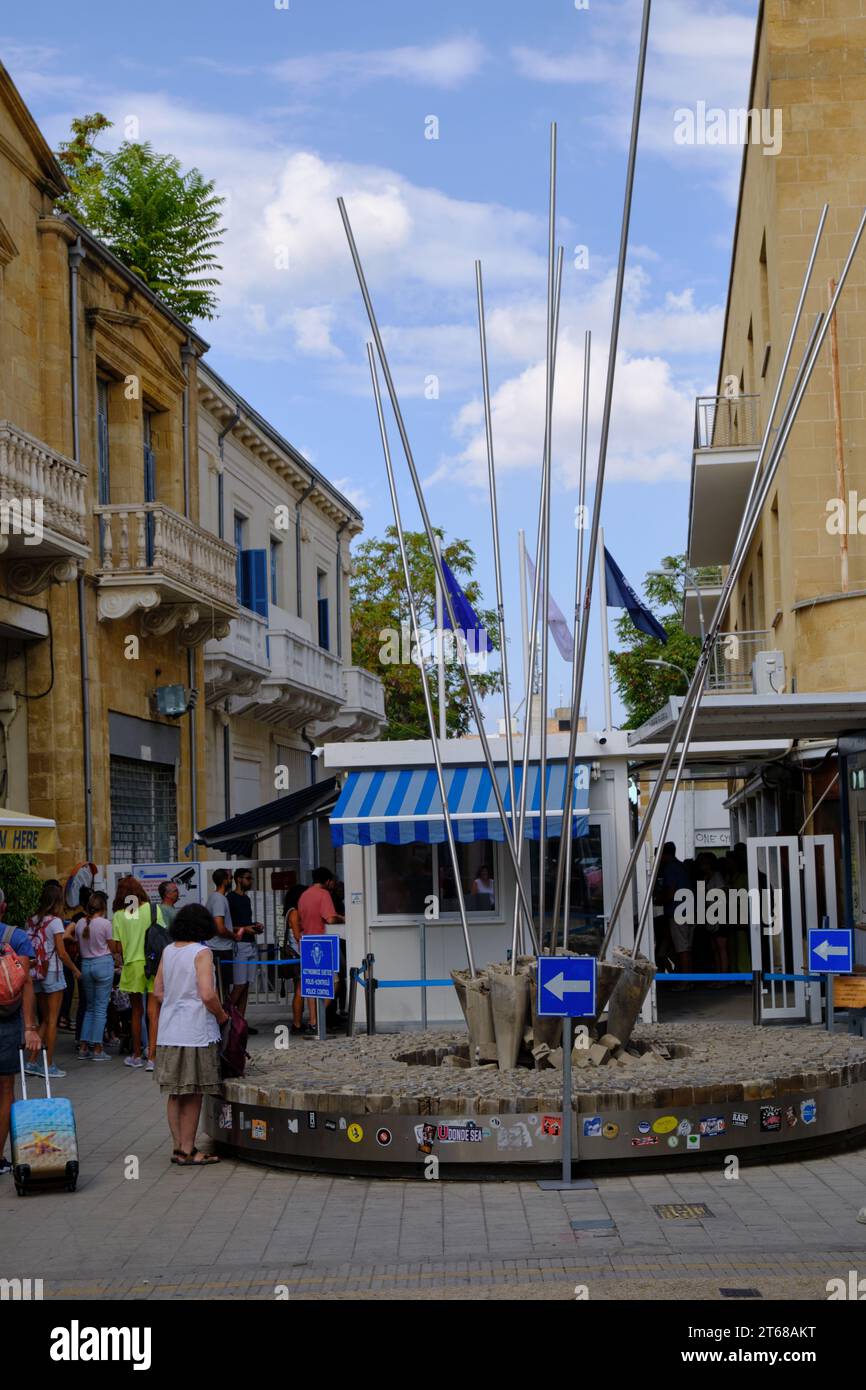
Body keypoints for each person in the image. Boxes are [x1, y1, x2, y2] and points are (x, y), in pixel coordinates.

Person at [152, 903, 228, 1166]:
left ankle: (177, 1148)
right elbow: (207, 994)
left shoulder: (168, 951)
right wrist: (221, 1016)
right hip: (195, 1032)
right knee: (194, 1092)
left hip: (169, 1032)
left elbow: (158, 991)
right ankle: (189, 1150)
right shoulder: (202, 952)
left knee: (175, 1093)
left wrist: (177, 1000)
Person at [0, 910, 41, 1175]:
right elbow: (25, 982)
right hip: (8, 1022)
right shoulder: (15, 936)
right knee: (5, 1088)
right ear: (3, 907)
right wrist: (30, 1028)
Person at [25, 882, 81, 1077]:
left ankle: (31, 1062)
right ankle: (48, 1065)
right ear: (57, 901)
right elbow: (62, 952)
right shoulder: (55, 922)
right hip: (53, 973)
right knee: (52, 1021)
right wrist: (74, 969)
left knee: (44, 1019)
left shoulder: (32, 920)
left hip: (36, 973)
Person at [111, 876, 166, 1071]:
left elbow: (116, 947)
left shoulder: (119, 915)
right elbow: (161, 935)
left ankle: (136, 1054)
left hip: (132, 966)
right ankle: (152, 1057)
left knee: (136, 1012)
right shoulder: (153, 909)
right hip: (151, 964)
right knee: (153, 1012)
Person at [70, 891, 120, 1062]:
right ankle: (97, 1048)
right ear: (103, 907)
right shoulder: (106, 924)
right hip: (103, 964)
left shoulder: (79, 924)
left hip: (86, 965)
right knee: (100, 1009)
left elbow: (76, 941)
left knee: (89, 1008)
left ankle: (83, 1047)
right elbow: (113, 948)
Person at [297, 867, 344, 1038]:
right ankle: (319, 1018)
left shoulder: (304, 895)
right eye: (331, 881)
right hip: (323, 944)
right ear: (328, 880)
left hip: (307, 942)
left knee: (312, 985)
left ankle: (313, 1022)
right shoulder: (324, 894)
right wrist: (342, 918)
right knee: (334, 982)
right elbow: (330, 918)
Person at [225, 868, 264, 1032]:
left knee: (247, 985)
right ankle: (225, 1017)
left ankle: (240, 1023)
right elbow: (227, 925)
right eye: (248, 878)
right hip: (239, 944)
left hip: (250, 943)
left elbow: (244, 921)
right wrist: (244, 929)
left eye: (251, 878)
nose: (251, 881)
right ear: (238, 879)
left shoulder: (246, 899)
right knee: (239, 985)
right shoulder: (230, 898)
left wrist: (255, 926)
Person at [655, 842, 693, 985]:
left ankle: (684, 982)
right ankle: (686, 979)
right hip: (687, 911)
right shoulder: (681, 866)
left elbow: (671, 893)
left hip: (678, 913)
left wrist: (657, 901)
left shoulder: (670, 868)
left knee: (681, 949)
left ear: (664, 855)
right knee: (686, 948)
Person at [204, 869, 234, 1001]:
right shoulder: (219, 900)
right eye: (230, 878)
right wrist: (234, 936)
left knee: (221, 988)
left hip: (218, 948)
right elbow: (220, 928)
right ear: (224, 881)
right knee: (222, 989)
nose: (231, 881)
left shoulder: (215, 898)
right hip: (220, 950)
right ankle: (222, 1017)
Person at [282, 884, 305, 1034]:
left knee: (300, 988)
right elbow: (298, 936)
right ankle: (297, 1024)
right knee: (300, 990)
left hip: (293, 954)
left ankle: (298, 1022)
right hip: (298, 954)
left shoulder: (288, 912)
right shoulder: (294, 912)